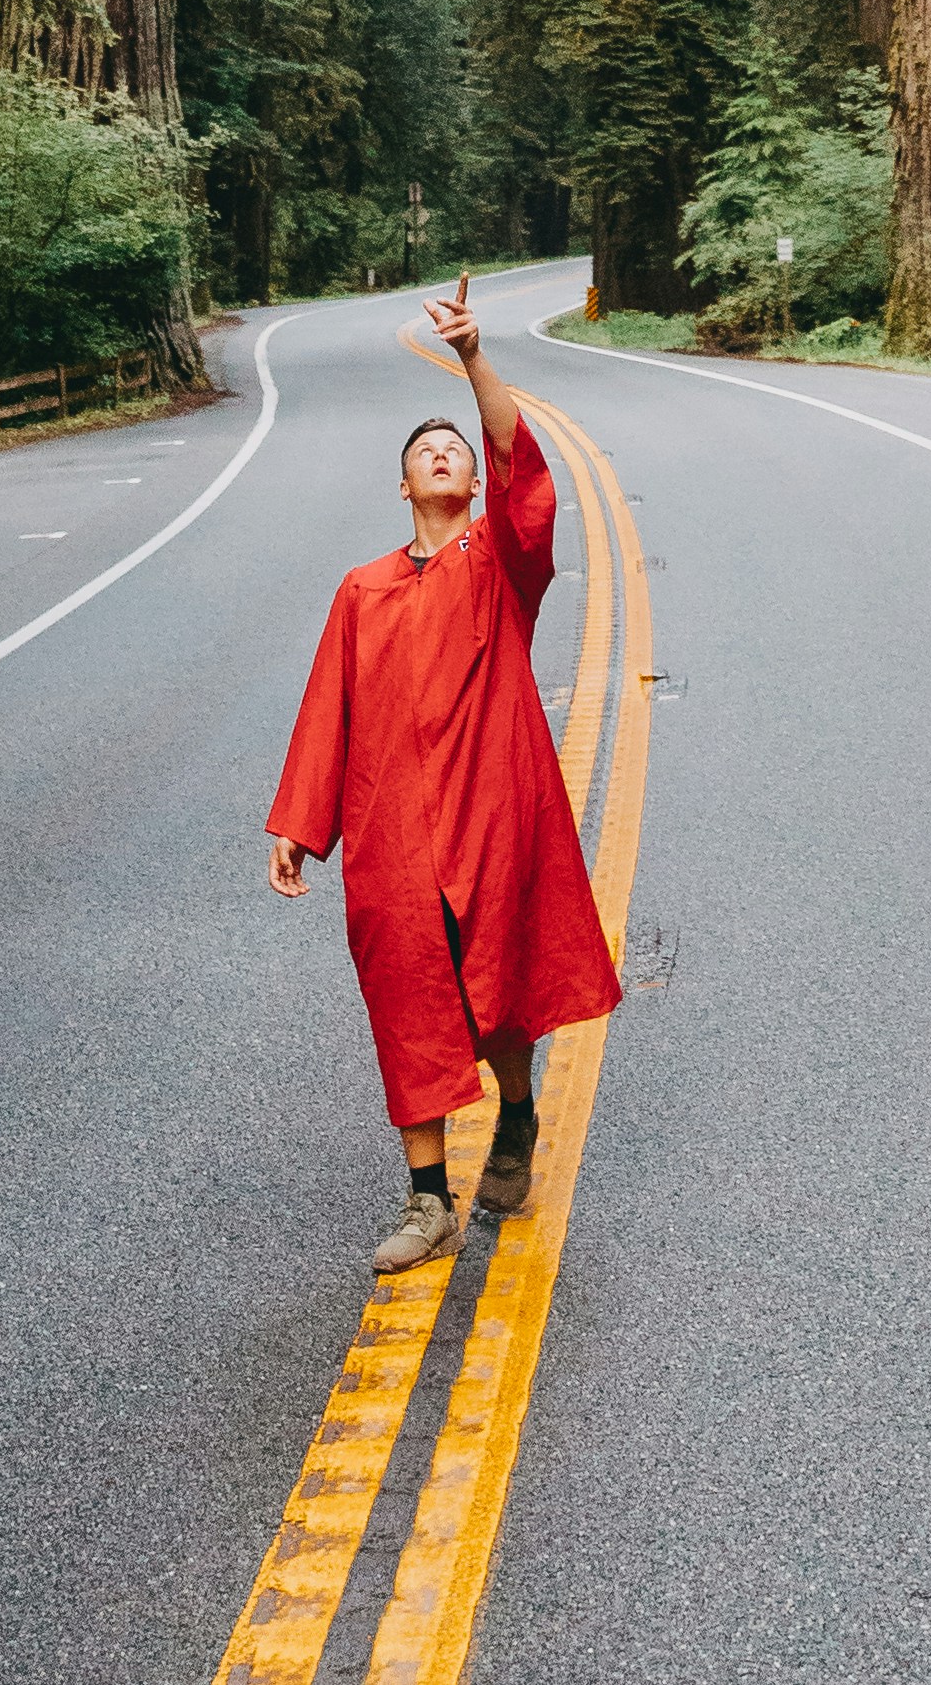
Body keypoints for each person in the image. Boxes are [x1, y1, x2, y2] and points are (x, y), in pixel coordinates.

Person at [266, 275, 624, 1276]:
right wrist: (297, 824)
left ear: (474, 486)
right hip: (389, 831)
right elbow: (325, 710)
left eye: (457, 452)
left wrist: (472, 357)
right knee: (408, 995)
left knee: (498, 982)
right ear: (401, 485)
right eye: (428, 450)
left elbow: (518, 456)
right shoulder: (361, 589)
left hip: (488, 807)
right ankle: (428, 1202)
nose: (446, 454)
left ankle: (514, 1114)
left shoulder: (497, 565)